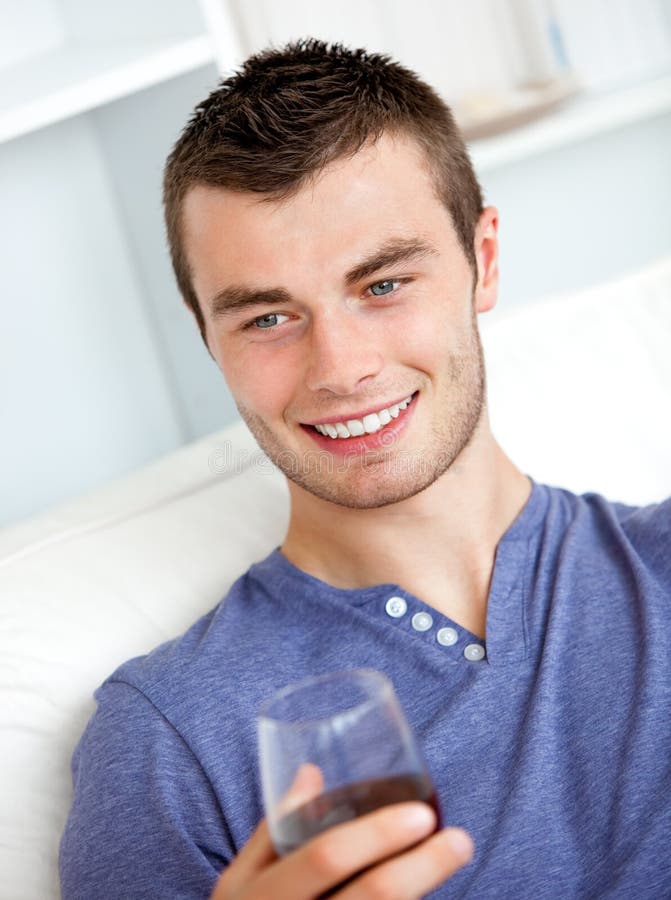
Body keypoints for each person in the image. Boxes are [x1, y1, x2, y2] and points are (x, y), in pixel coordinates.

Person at [59, 39, 671, 899]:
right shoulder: (171, 740)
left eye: (382, 284)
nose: (339, 368)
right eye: (267, 317)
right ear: (208, 336)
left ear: (482, 260)